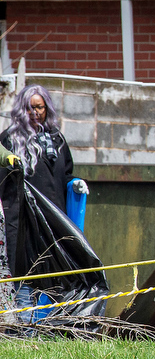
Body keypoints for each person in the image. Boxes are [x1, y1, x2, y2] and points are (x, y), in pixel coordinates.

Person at [0, 85, 87, 264]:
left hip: (53, 217)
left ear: (47, 108)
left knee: (54, 265)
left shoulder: (57, 140)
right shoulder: (10, 139)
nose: (35, 113)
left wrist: (75, 183)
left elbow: (65, 174)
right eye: (29, 108)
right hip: (22, 219)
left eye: (39, 107)